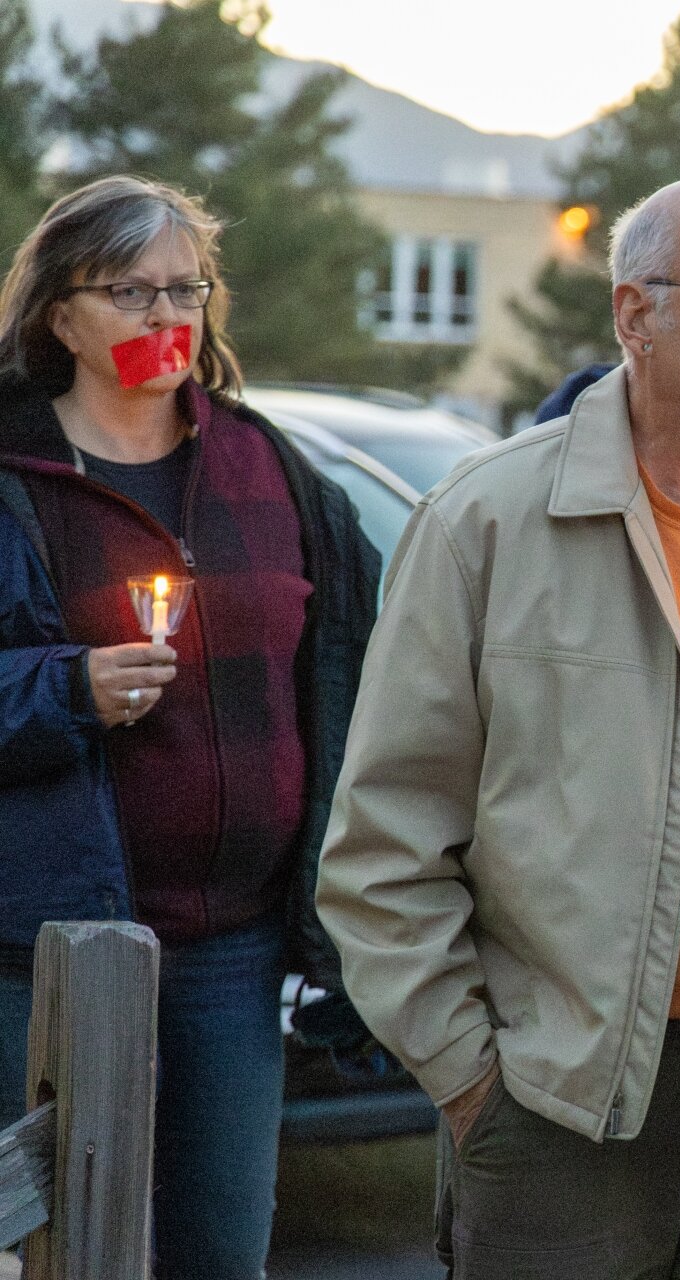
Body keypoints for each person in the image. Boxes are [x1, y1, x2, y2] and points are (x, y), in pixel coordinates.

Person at [316, 175, 680, 1278]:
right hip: (558, 1098)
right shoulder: (485, 521)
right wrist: (470, 1076)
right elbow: (385, 841)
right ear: (637, 315)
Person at [0, 175, 379, 1278]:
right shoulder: (14, 479)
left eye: (186, 289)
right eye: (131, 292)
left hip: (232, 948)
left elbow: (363, 670)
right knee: (59, 1254)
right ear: (61, 317)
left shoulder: (271, 468)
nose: (167, 314)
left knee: (219, 1252)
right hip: (41, 954)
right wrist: (68, 689)